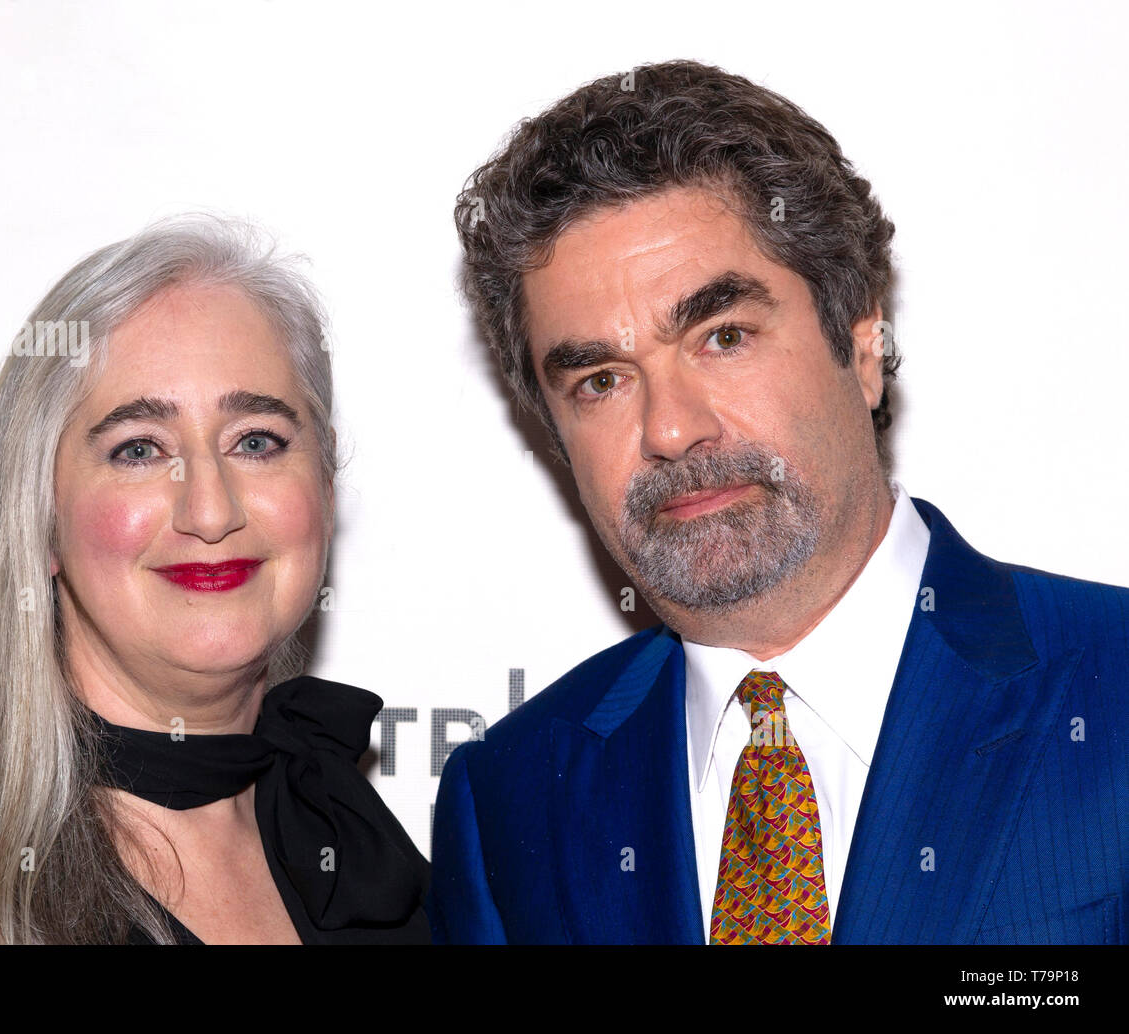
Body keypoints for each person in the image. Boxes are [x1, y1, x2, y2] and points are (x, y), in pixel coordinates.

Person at [428, 59, 1129, 944]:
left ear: (862, 343)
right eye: (601, 380)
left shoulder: (1112, 691)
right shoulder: (510, 800)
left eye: (723, 337)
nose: (672, 429)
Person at [0, 215, 429, 944]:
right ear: (41, 512)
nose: (210, 511)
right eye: (139, 448)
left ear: (326, 484)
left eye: (256, 441)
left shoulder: (370, 859)